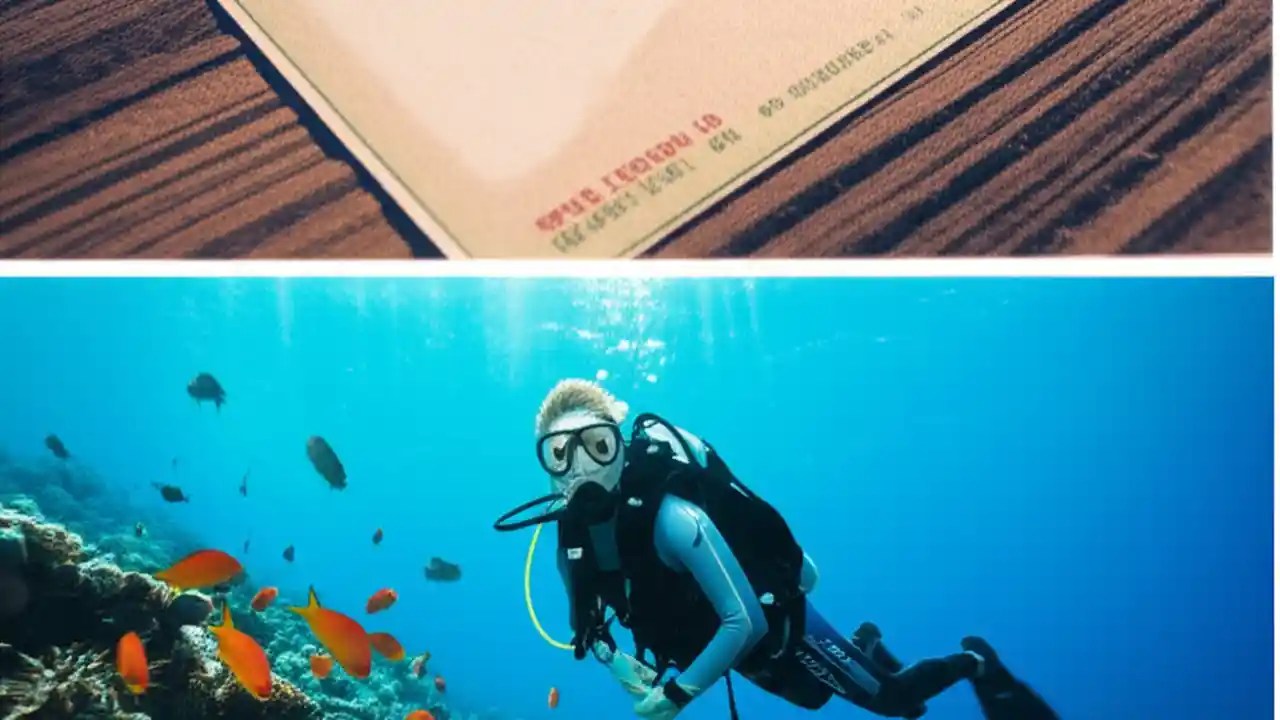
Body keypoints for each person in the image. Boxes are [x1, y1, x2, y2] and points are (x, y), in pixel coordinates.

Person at [494, 379, 1058, 720]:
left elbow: (744, 622)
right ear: (546, 468)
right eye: (561, 454)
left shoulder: (672, 517)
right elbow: (589, 629)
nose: (584, 467)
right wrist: (623, 668)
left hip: (773, 623)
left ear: (618, 444)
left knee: (892, 702)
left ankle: (976, 660)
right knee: (817, 699)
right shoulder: (569, 541)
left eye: (596, 444)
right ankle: (864, 642)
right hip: (725, 651)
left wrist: (677, 694)